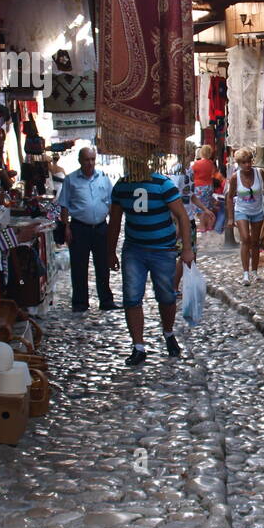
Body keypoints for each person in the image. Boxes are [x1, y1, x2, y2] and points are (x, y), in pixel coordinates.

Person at [107, 159, 194, 366]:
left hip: (163, 250)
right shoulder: (122, 186)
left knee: (166, 295)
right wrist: (110, 252)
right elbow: (115, 221)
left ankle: (168, 332)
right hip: (134, 249)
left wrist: (187, 249)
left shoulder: (163, 184)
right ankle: (138, 347)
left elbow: (182, 216)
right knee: (131, 296)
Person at [55, 146, 116, 312]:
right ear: (80, 161)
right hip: (79, 228)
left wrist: (112, 225)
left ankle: (106, 300)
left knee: (103, 265)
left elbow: (111, 202)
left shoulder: (103, 178)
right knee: (79, 266)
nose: (90, 163)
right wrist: (66, 227)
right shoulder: (71, 180)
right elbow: (64, 205)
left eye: (92, 159)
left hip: (101, 228)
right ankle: (80, 302)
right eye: (86, 160)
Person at [226, 148, 264, 284]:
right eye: (244, 162)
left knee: (256, 242)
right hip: (241, 210)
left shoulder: (259, 173)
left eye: (249, 161)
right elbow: (229, 197)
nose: (247, 165)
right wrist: (231, 217)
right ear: (239, 163)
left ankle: (255, 272)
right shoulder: (235, 177)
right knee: (246, 238)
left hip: (257, 211)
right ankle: (245, 274)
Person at [189, 144, 219, 233]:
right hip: (209, 186)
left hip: (199, 187)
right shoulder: (211, 163)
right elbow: (213, 173)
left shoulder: (197, 163)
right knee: (207, 207)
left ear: (201, 152)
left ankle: (202, 226)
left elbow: (190, 173)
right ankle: (209, 225)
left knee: (200, 209)